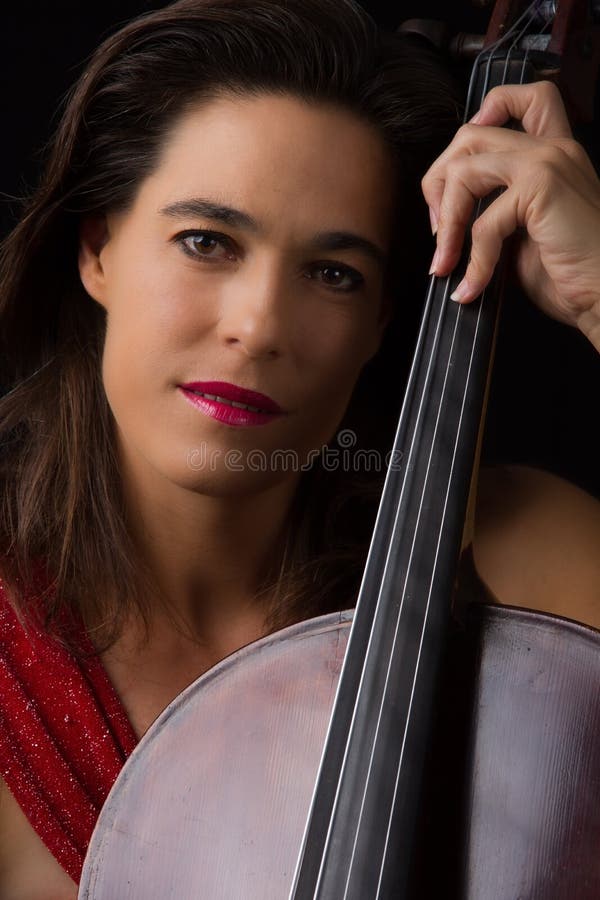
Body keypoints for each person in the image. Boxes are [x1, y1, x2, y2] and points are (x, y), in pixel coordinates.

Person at [0, 0, 598, 896]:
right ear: (98, 253)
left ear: (380, 322)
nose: (259, 325)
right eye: (206, 241)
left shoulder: (527, 573)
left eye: (333, 274)